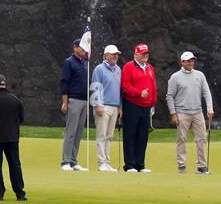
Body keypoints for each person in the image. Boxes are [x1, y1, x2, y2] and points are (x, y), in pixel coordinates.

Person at [166, 52, 214, 174]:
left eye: (192, 60)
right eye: (188, 61)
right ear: (182, 62)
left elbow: (206, 92)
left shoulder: (200, 75)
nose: (190, 63)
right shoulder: (175, 77)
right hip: (182, 113)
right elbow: (170, 96)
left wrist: (209, 108)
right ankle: (181, 165)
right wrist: (173, 113)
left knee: (201, 139)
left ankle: (201, 167)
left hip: (197, 112)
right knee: (182, 139)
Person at [120, 42, 157, 172]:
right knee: (130, 134)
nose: (145, 56)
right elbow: (125, 86)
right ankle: (129, 164)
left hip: (146, 106)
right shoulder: (128, 67)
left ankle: (140, 165)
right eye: (143, 54)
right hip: (132, 104)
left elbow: (153, 86)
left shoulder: (150, 68)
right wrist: (138, 93)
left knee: (143, 136)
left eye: (146, 53)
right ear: (136, 54)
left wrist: (153, 103)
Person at [58, 36, 90, 171]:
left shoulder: (84, 63)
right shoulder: (69, 62)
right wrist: (65, 102)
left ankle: (73, 160)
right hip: (73, 100)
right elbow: (64, 82)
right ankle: (65, 161)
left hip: (84, 100)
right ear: (75, 48)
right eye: (81, 47)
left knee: (78, 132)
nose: (84, 50)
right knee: (70, 131)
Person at [90, 45, 123, 172]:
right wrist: (98, 105)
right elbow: (95, 87)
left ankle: (107, 162)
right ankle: (101, 163)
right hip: (102, 106)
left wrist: (120, 106)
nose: (115, 56)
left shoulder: (118, 70)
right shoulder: (99, 69)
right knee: (101, 135)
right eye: (113, 54)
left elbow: (119, 90)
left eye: (117, 54)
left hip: (114, 107)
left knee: (109, 136)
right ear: (106, 55)